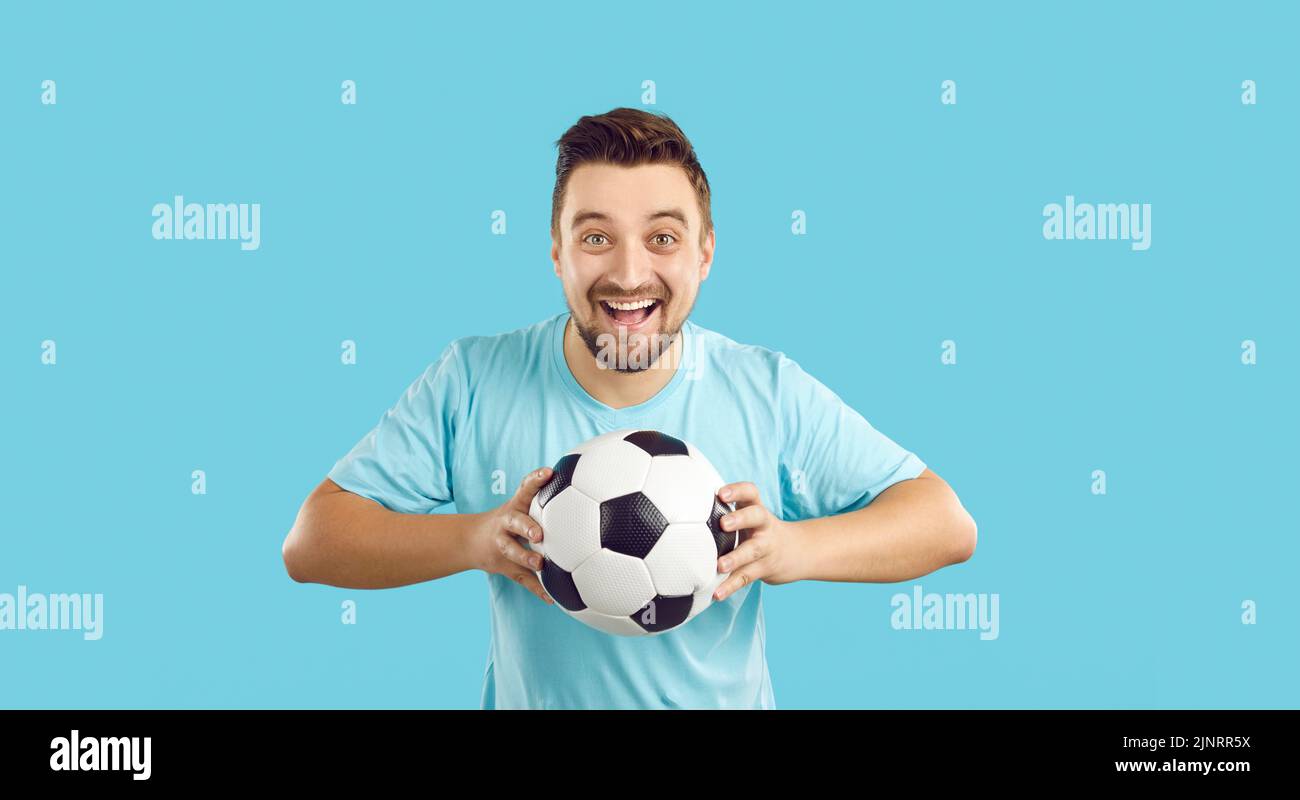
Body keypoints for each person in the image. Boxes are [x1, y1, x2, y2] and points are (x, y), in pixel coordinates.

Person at [281, 107, 977, 709]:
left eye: (663, 238)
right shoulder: (473, 379)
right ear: (557, 251)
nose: (629, 272)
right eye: (595, 237)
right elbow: (312, 541)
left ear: (705, 253)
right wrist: (475, 541)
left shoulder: (765, 389)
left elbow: (945, 523)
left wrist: (790, 548)